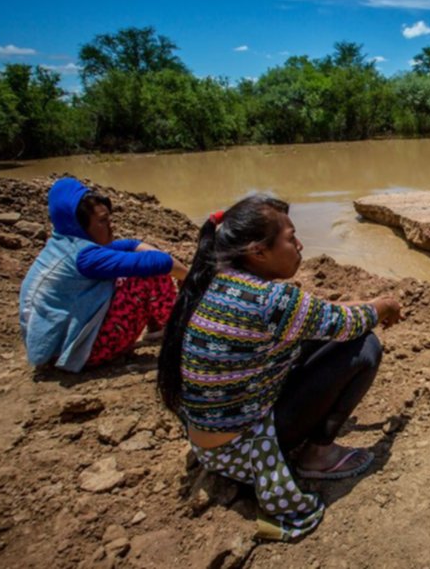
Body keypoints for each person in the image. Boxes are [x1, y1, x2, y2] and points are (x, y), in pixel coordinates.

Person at [156, 194, 402, 542]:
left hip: (210, 440)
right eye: (290, 238)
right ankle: (317, 455)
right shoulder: (271, 301)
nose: (300, 244)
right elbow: (348, 323)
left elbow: (321, 317)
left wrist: (368, 306)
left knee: (322, 336)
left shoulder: (215, 280)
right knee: (366, 347)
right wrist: (385, 304)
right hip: (240, 451)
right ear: (257, 252)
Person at [19, 177, 188, 372]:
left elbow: (129, 245)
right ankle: (171, 328)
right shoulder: (85, 258)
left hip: (54, 350)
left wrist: (147, 252)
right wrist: (190, 276)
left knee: (136, 265)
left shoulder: (63, 245)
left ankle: (158, 329)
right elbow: (160, 263)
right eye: (102, 221)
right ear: (80, 225)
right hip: (79, 353)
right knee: (147, 275)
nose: (111, 226)